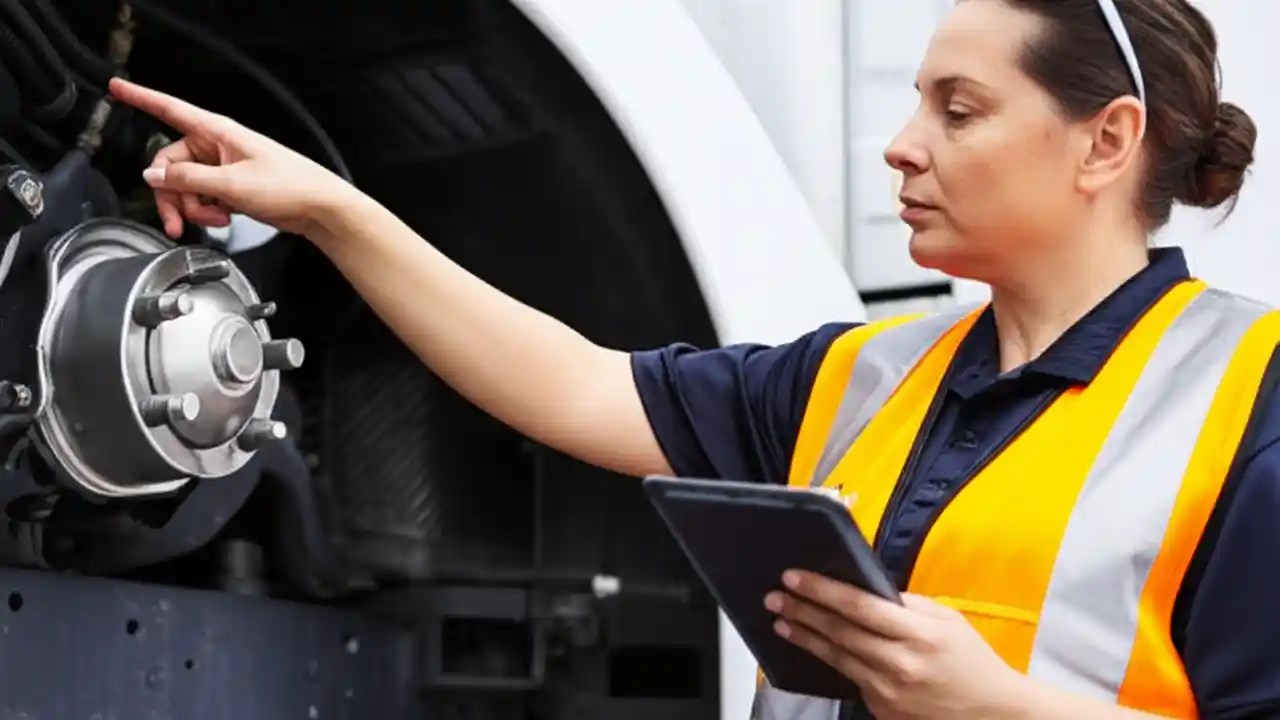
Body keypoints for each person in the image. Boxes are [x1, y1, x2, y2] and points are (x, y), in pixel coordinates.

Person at [104, 0, 1276, 716]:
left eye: (956, 111)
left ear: (1104, 142)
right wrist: (328, 210)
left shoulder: (1247, 402)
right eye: (915, 103)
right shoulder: (857, 377)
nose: (901, 146)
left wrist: (989, 708)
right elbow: (574, 385)